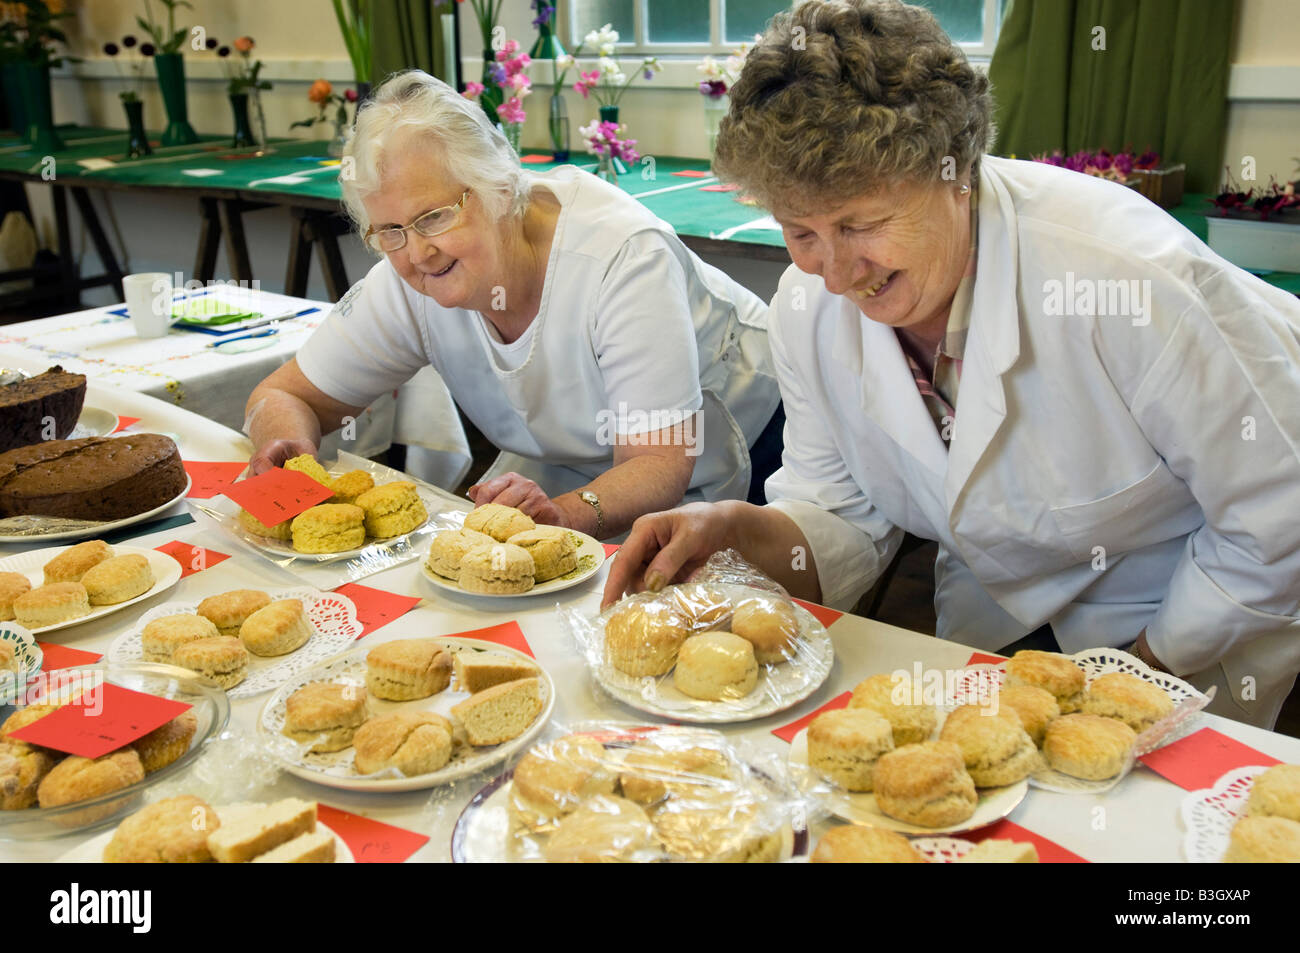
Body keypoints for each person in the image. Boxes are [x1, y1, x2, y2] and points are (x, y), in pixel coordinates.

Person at [603, 0, 1300, 729]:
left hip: (1178, 612)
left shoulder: (1122, 278)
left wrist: (1137, 678)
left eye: (863, 225)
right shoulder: (807, 307)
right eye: (801, 231)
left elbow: (1274, 511)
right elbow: (842, 514)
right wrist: (735, 528)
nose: (836, 273)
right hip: (993, 612)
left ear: (958, 172)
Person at [246, 70, 781, 539]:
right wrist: (285, 448)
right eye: (388, 230)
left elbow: (657, 463)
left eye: (435, 216)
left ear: (500, 187)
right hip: (572, 473)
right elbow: (286, 395)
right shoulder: (407, 273)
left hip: (744, 446)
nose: (418, 252)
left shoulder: (620, 257)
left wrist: (564, 516)